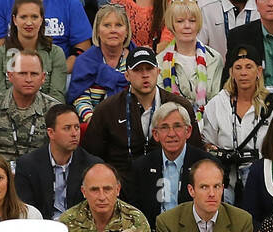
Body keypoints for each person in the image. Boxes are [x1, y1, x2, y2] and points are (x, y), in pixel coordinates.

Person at [80, 45, 202, 186]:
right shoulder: (107, 109)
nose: (145, 75)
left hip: (170, 184)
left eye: (149, 69)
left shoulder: (180, 106)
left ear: (158, 71)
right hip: (122, 189)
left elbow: (196, 154)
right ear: (127, 75)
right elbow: (90, 158)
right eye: (137, 70)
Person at [201, 43, 273, 204]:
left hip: (263, 176)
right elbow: (207, 144)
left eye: (248, 67)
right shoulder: (217, 104)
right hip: (226, 179)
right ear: (231, 72)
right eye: (238, 68)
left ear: (259, 71)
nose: (243, 73)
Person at [128, 101, 212, 226]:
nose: (171, 134)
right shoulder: (141, 167)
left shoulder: (206, 165)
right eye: (164, 127)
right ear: (155, 134)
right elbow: (134, 212)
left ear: (188, 131)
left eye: (177, 126)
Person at [13, 104, 101, 221]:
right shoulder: (27, 165)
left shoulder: (92, 166)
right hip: (40, 229)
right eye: (67, 128)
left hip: (79, 230)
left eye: (77, 127)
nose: (74, 133)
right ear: (50, 133)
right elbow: (26, 210)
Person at [0, 0, 69, 104]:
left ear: (41, 20)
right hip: (7, 116)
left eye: (34, 17)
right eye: (23, 17)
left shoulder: (56, 53)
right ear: (14, 20)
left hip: (46, 115)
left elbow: (57, 99)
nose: (29, 23)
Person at [157, 0, 224, 125]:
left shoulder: (215, 59)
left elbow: (217, 102)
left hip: (208, 127)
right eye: (180, 21)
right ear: (172, 25)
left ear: (198, 24)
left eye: (192, 21)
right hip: (172, 126)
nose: (187, 26)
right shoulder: (160, 61)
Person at [67, 1, 135, 122]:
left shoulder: (138, 61)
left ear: (126, 32)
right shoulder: (84, 62)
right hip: (94, 125)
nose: (113, 30)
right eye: (107, 25)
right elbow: (81, 99)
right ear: (97, 31)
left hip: (132, 123)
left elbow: (145, 96)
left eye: (118, 25)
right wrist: (94, 122)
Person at [0, 48, 53, 159]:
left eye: (34, 74)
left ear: (43, 77)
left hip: (39, 173)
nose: (28, 79)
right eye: (22, 73)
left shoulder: (54, 110)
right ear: (10, 76)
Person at [0, 0, 90, 73]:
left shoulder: (71, 3)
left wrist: (57, 73)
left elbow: (83, 48)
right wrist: (23, 75)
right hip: (14, 73)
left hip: (60, 71)